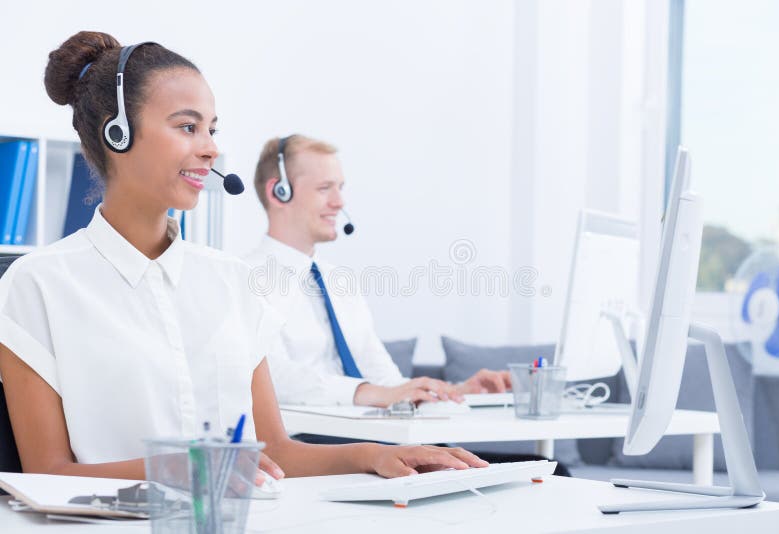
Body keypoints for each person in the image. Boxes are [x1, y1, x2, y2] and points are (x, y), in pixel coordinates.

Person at [0, 32, 488, 482]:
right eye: (188, 127)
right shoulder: (37, 284)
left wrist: (373, 455)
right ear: (117, 135)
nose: (210, 149)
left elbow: (275, 451)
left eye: (211, 129)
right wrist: (178, 468)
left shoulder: (231, 281)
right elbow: (46, 472)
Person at [243, 135, 511, 408]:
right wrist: (366, 394)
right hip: (304, 441)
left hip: (364, 435)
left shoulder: (339, 282)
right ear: (279, 192)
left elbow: (385, 380)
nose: (339, 202)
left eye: (340, 188)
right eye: (325, 188)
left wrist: (454, 392)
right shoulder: (245, 279)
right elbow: (272, 377)